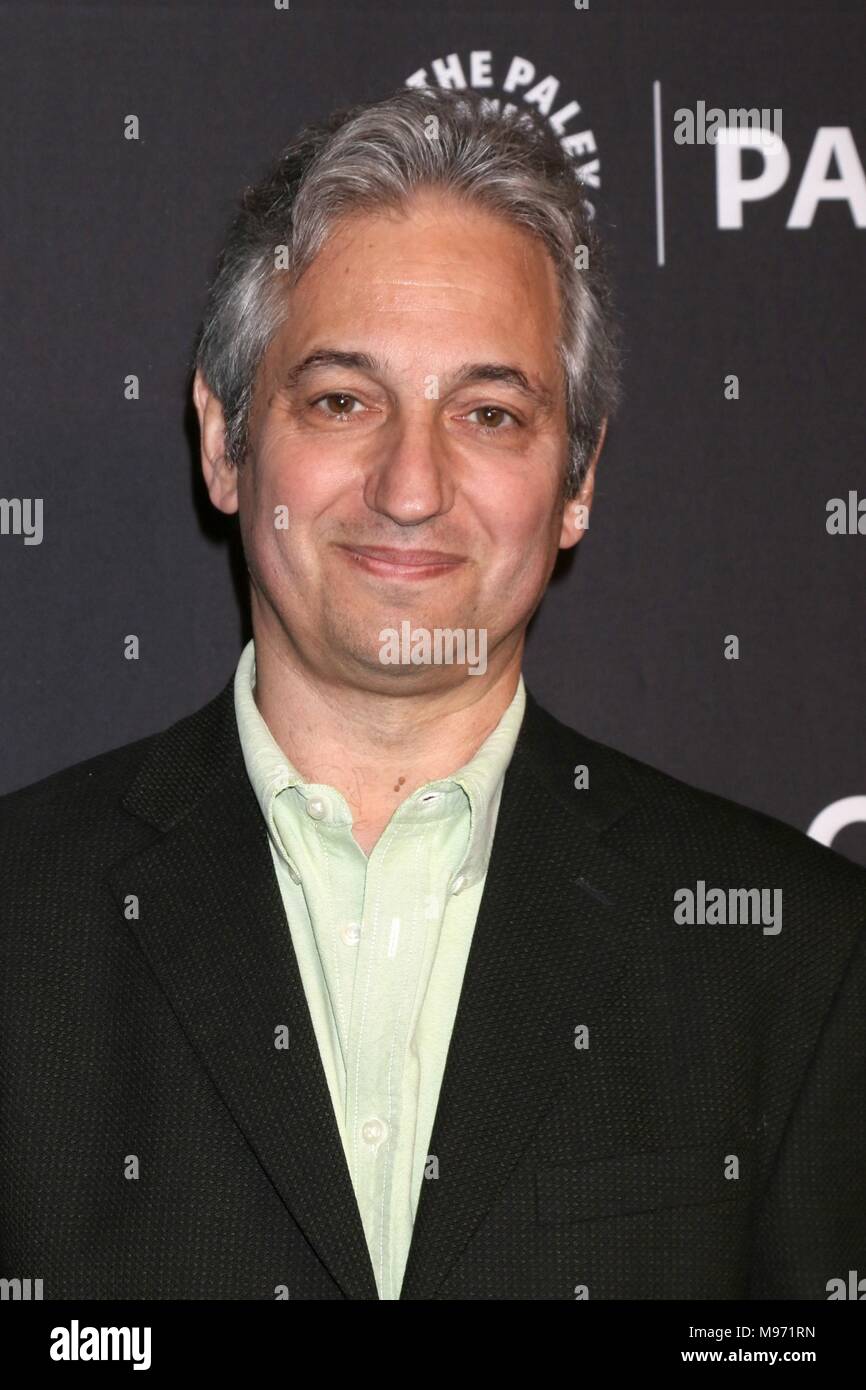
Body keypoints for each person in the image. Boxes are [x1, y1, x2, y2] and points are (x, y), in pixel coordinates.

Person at [1, 87, 864, 1302]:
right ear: (221, 439)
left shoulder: (798, 957)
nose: (410, 487)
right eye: (342, 400)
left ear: (576, 480)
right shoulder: (19, 925)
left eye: (489, 414)